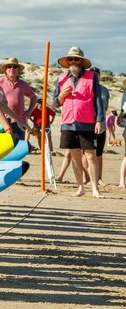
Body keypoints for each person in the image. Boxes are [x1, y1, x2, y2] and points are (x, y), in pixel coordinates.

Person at [52, 46, 104, 198]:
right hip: (68, 121)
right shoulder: (61, 78)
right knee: (74, 155)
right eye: (70, 59)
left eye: (76, 59)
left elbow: (98, 100)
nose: (73, 61)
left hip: (87, 121)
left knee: (90, 155)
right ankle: (80, 187)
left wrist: (99, 120)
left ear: (81, 61)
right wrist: (61, 95)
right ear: (67, 62)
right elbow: (56, 103)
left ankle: (95, 188)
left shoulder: (91, 76)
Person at [0, 58, 37, 140]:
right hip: (2, 122)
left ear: (18, 70)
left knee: (18, 147)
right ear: (6, 70)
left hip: (19, 122)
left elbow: (33, 97)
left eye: (14, 67)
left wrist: (29, 111)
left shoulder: (23, 85)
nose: (12, 69)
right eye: (9, 67)